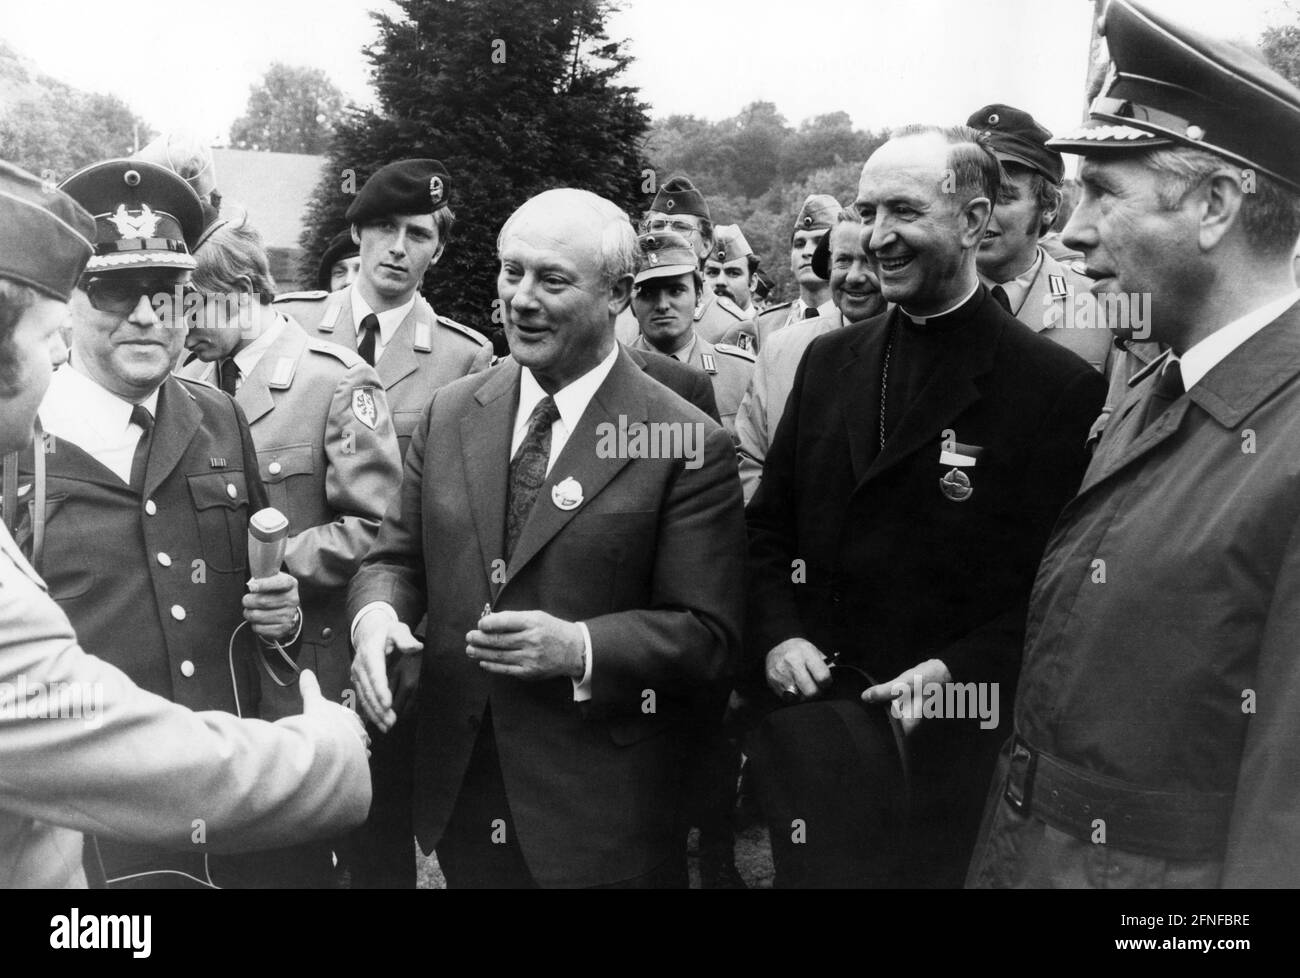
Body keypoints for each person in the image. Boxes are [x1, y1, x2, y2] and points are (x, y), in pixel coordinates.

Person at [968, 0, 1300, 889]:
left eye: (1104, 192)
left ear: (1216, 206)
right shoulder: (1157, 389)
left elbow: (1284, 829)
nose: (1071, 230)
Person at [348, 188, 746, 888]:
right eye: (511, 272)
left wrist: (578, 648)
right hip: (466, 791)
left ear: (620, 294)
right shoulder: (453, 411)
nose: (521, 299)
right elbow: (394, 558)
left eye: (552, 280)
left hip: (604, 817)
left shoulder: (682, 438)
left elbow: (708, 635)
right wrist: (376, 617)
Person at [745, 125, 1105, 887]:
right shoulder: (829, 359)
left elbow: (1049, 594)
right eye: (867, 212)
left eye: (903, 211)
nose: (878, 237)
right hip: (814, 736)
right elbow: (767, 531)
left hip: (942, 757)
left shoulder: (1049, 387)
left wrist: (955, 671)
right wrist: (778, 636)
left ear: (974, 221)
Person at [0, 158, 370, 889]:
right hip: (100, 839)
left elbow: (254, 605)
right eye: (112, 290)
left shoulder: (218, 416)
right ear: (66, 301)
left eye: (167, 293)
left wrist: (282, 613)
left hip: (245, 829)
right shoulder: (16, 441)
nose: (145, 315)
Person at [178, 212, 403, 718]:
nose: (181, 331)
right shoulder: (189, 379)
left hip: (304, 668)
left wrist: (262, 561)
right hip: (215, 668)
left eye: (190, 311)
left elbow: (377, 528)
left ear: (238, 292)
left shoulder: (338, 382)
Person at [274, 159, 491, 457]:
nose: (398, 248)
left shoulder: (463, 358)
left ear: (438, 250)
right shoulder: (291, 322)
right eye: (385, 226)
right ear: (357, 231)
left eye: (418, 234)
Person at [735, 210, 885, 501]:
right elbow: (750, 459)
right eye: (842, 260)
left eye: (868, 261)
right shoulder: (780, 349)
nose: (854, 277)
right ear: (828, 267)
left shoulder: (918, 345)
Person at [967, 104, 1116, 374]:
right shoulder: (917, 297)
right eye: (970, 195)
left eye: (1003, 197)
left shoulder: (1104, 303)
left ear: (1048, 208)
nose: (979, 211)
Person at [628, 230, 755, 441]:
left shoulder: (741, 373)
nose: (662, 305)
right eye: (648, 293)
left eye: (676, 290)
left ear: (698, 296)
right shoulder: (612, 374)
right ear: (631, 302)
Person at [752, 194, 840, 348]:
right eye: (799, 244)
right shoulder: (765, 325)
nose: (807, 252)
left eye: (819, 242)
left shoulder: (855, 320)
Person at [700, 224, 762, 349]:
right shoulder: (692, 331)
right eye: (712, 272)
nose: (721, 281)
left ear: (753, 282)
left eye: (733, 273)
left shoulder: (772, 329)